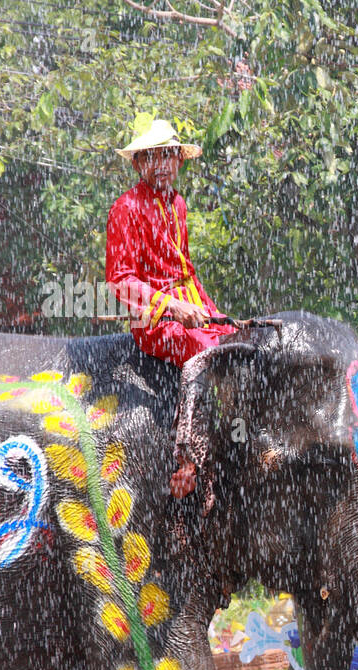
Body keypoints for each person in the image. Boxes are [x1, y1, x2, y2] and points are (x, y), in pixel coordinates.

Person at [105, 118, 237, 497]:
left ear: (179, 160)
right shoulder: (125, 209)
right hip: (153, 320)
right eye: (153, 157)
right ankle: (187, 459)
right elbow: (120, 281)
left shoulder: (178, 204)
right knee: (206, 352)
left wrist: (213, 314)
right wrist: (172, 307)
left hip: (189, 305)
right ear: (138, 165)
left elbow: (185, 273)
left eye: (169, 155)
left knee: (238, 345)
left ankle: (232, 436)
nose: (162, 164)